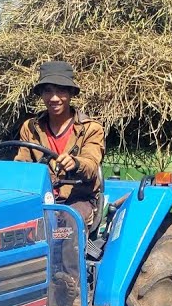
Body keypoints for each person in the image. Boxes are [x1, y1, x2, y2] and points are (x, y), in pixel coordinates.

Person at [13, 60, 105, 226]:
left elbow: (91, 165)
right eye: (48, 91)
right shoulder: (30, 127)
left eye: (61, 90)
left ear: (70, 93)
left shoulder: (91, 128)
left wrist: (76, 163)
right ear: (41, 94)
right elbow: (22, 166)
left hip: (79, 200)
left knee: (67, 222)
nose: (54, 98)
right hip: (41, 198)